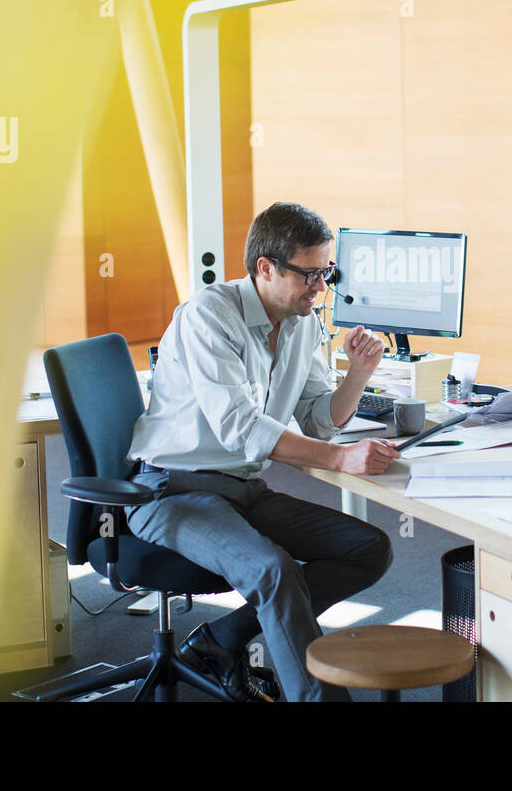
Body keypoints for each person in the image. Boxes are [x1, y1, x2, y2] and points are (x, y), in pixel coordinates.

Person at [125, 202, 399, 702]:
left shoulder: (302, 322)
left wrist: (358, 375)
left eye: (327, 272)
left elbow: (319, 416)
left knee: (369, 548)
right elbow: (239, 428)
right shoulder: (209, 315)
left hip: (244, 489)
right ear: (265, 268)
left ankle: (220, 641)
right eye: (309, 274)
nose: (321, 288)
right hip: (169, 492)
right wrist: (339, 459)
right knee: (274, 571)